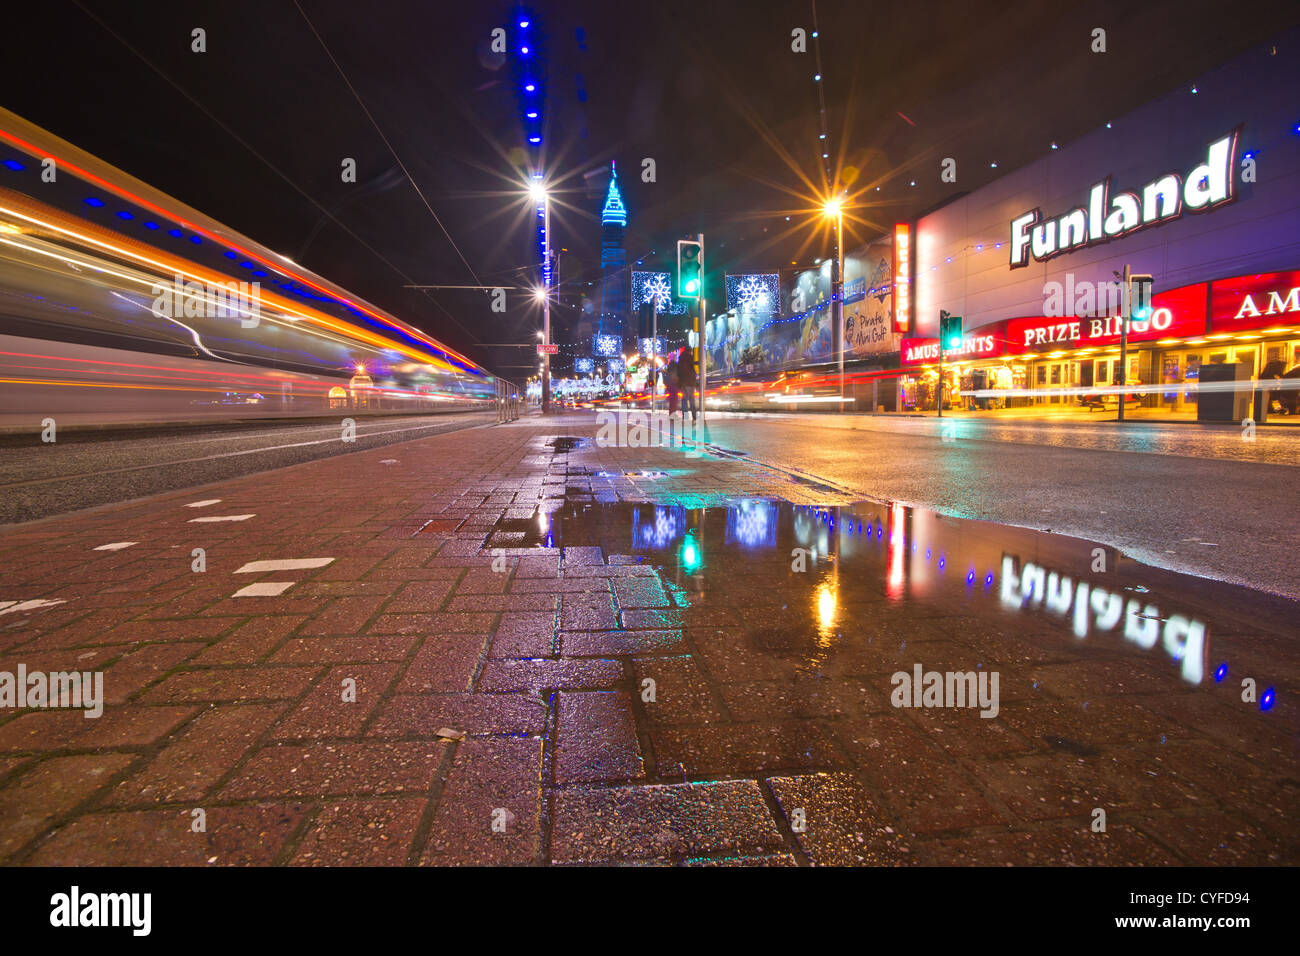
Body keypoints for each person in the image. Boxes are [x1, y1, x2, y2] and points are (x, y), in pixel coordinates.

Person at [677, 348, 698, 422]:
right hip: (690, 382)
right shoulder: (690, 358)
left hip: (683, 383)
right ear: (690, 352)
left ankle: (685, 417)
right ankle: (694, 417)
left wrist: (679, 384)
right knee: (692, 400)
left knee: (684, 400)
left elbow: (678, 372)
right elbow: (693, 368)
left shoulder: (680, 360)